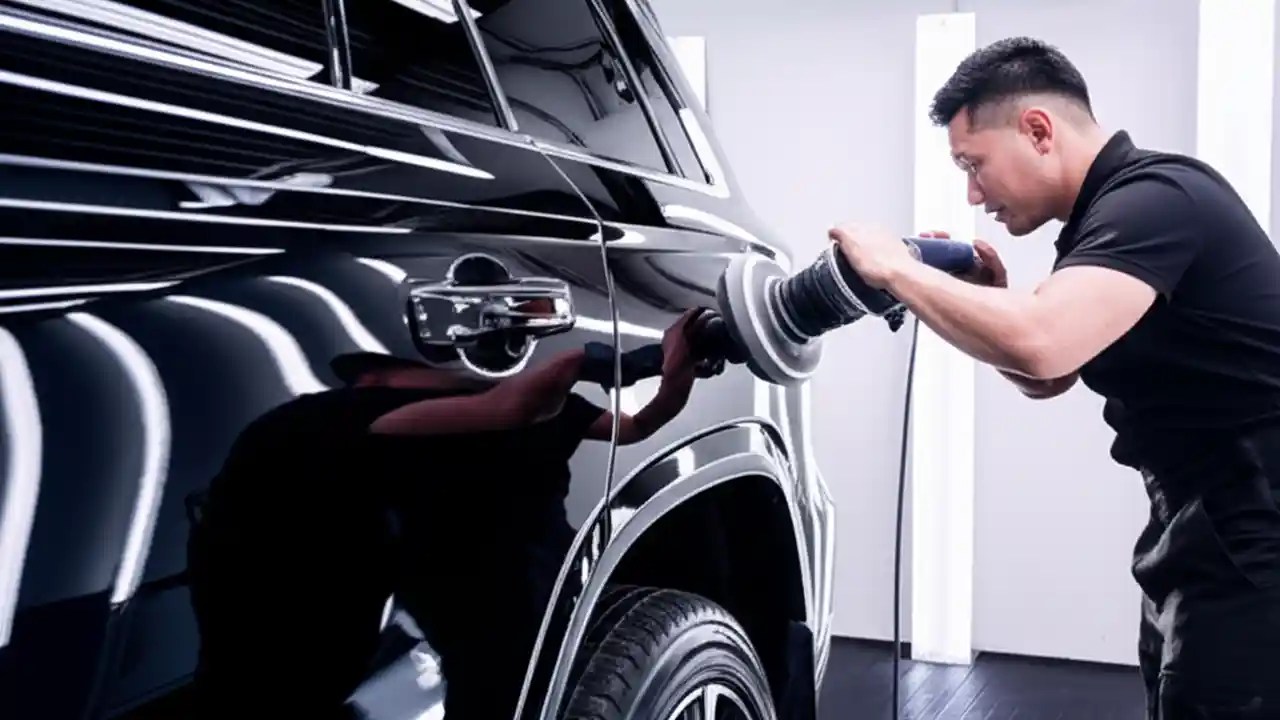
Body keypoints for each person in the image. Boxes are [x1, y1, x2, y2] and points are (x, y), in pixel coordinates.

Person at [828, 36, 1280, 719]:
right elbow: (1053, 372)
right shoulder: (1100, 227)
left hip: (1257, 533)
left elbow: (1041, 347)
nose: (974, 194)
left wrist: (895, 268)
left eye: (973, 165)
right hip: (1195, 525)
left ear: (1038, 129)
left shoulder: (1155, 199)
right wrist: (996, 300)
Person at [185, 308, 709, 719]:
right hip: (445, 604)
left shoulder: (364, 417)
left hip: (491, 602)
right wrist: (635, 366)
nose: (366, 385)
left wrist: (668, 371)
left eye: (375, 377)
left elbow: (626, 425)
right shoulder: (347, 422)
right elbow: (521, 411)